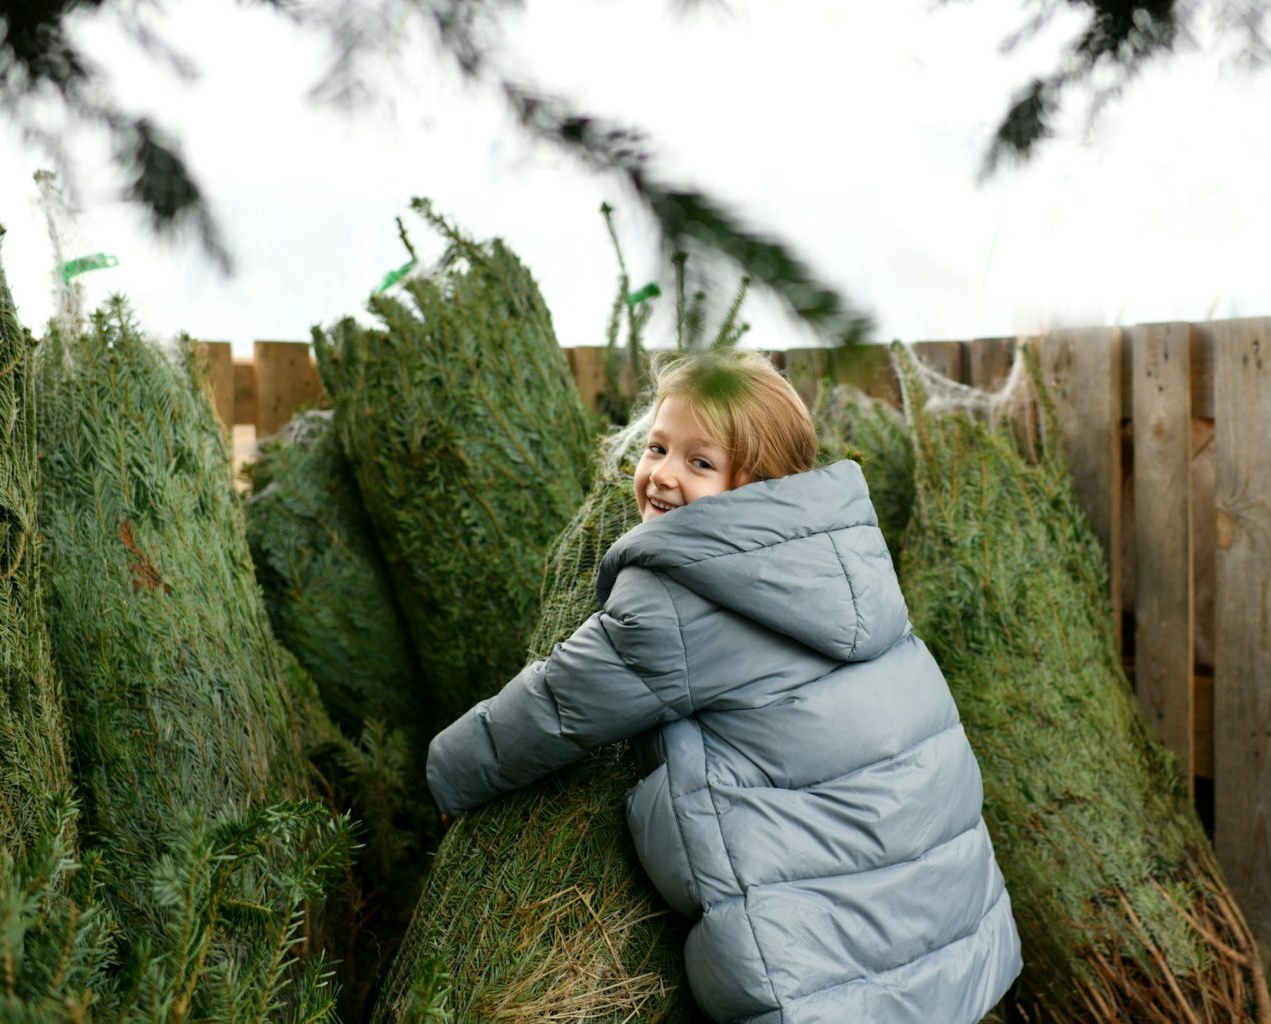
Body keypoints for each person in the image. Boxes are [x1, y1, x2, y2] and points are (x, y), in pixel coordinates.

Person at [424, 349, 1022, 1023]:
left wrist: (448, 773)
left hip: (806, 963)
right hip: (949, 925)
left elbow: (557, 704)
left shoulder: (677, 601)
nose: (662, 475)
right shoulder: (846, 563)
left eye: (700, 463)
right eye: (657, 447)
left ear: (757, 486)